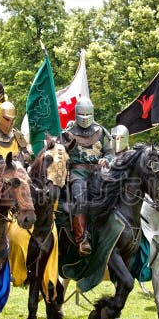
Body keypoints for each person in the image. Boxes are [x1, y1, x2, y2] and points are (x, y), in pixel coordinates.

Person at [63, 98, 114, 255]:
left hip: (98, 173)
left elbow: (110, 151)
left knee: (114, 195)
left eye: (87, 114)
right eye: (82, 114)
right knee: (80, 197)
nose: (85, 118)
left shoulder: (101, 131)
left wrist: (107, 159)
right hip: (77, 173)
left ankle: (111, 234)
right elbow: (61, 153)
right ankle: (82, 239)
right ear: (76, 113)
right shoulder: (68, 132)